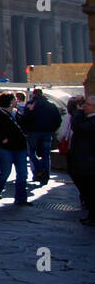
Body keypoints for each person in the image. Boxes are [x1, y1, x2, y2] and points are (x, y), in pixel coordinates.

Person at [0, 92, 30, 205]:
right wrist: (2, 138)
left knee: (22, 173)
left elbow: (25, 126)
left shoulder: (18, 113)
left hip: (20, 146)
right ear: (10, 101)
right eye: (14, 99)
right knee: (5, 171)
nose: (16, 101)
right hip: (6, 147)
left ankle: (21, 198)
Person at [21, 87, 62, 185]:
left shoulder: (30, 105)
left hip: (33, 131)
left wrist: (27, 130)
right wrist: (52, 129)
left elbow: (25, 118)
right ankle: (46, 175)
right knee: (46, 154)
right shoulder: (51, 105)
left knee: (32, 152)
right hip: (47, 132)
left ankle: (39, 169)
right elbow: (58, 119)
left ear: (34, 94)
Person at [66, 95, 95, 224]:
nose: (84, 107)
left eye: (87, 105)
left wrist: (77, 112)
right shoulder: (87, 118)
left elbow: (78, 127)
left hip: (88, 161)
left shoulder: (90, 121)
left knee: (89, 189)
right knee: (86, 189)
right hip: (83, 159)